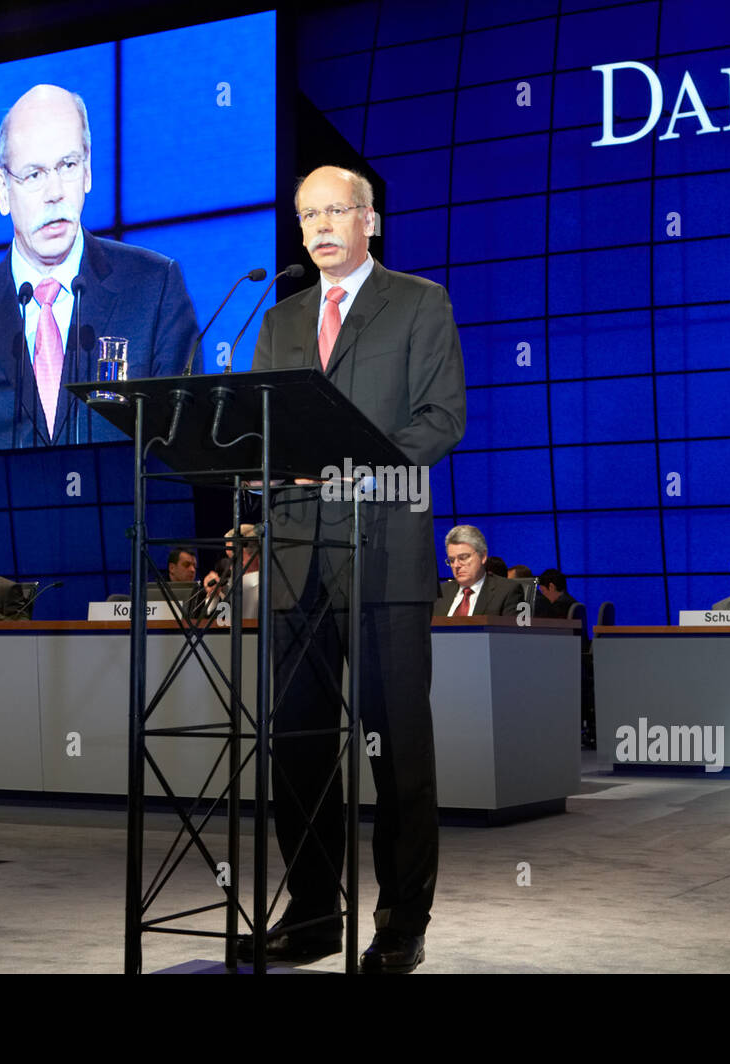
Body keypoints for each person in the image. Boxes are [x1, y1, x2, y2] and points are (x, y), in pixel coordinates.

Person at [245, 164, 466, 974]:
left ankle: (401, 924)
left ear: (370, 218)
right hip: (297, 555)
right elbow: (259, 424)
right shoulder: (280, 320)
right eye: (308, 215)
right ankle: (310, 916)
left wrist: (353, 471)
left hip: (383, 552)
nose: (321, 226)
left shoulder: (418, 302)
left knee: (395, 751)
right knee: (298, 747)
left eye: (336, 210)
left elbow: (442, 418)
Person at [0, 84, 200, 453]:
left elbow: (185, 444)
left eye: (68, 165)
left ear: (88, 171)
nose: (55, 192)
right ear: (2, 189)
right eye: (34, 175)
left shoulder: (154, 287)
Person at [433, 526, 522, 617]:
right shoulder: (440, 592)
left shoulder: (506, 591)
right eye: (451, 560)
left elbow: (512, 630)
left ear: (483, 556)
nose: (456, 565)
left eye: (463, 558)